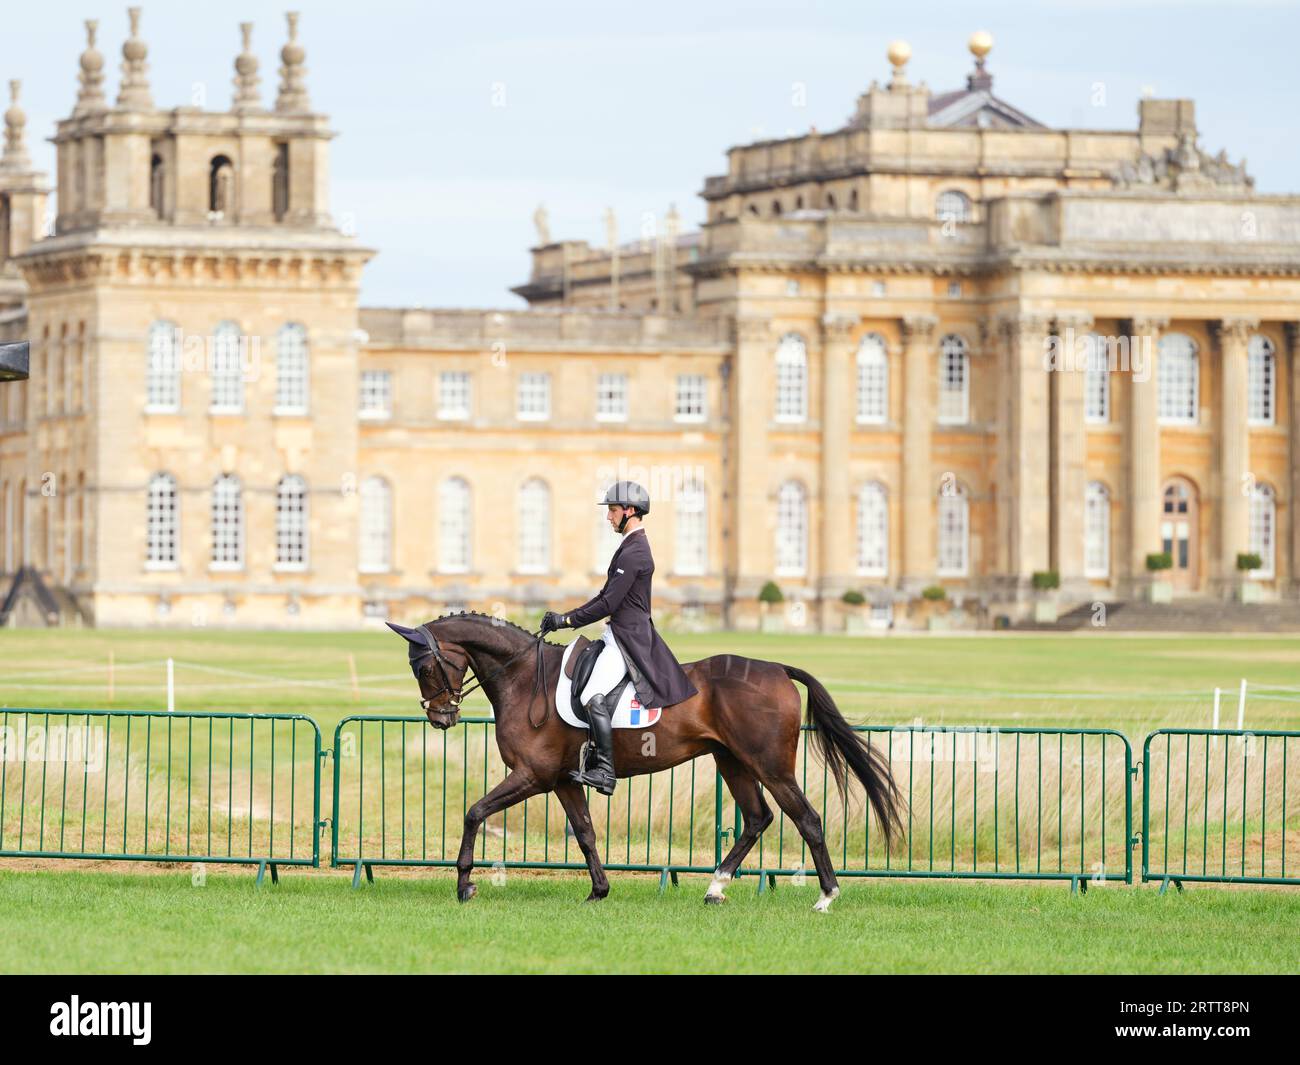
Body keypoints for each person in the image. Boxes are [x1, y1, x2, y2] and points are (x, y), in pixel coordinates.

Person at [541, 481, 698, 795]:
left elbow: (608, 604)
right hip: (618, 633)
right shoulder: (629, 546)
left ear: (630, 511)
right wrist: (567, 617)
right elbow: (605, 597)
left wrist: (565, 619)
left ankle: (605, 770)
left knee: (590, 694)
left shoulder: (635, 550)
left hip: (628, 639)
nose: (609, 517)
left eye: (613, 510)